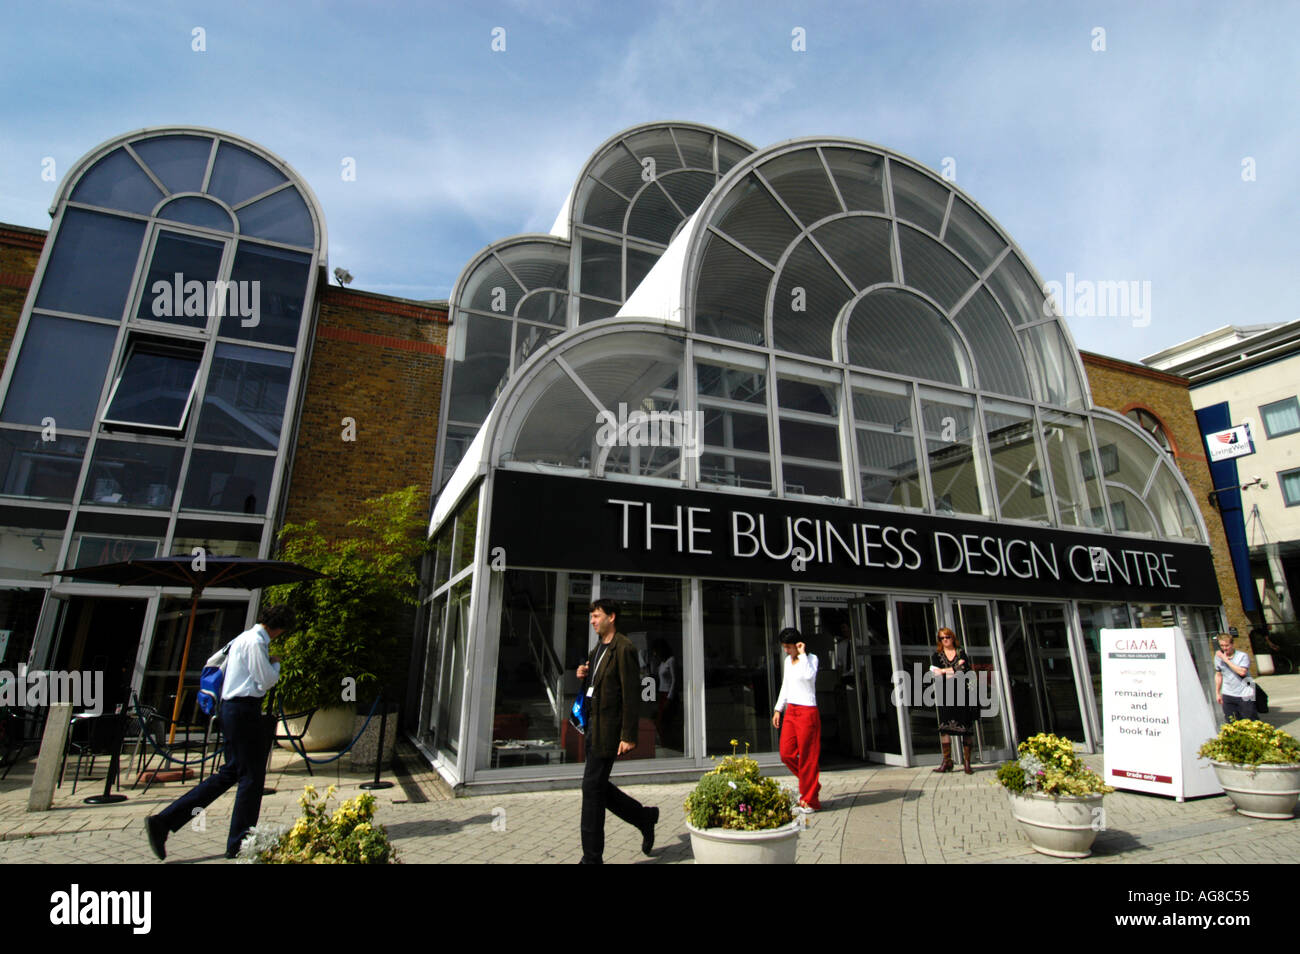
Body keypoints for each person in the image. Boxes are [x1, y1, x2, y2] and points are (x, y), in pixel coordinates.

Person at [145, 605, 295, 860]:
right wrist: (276, 664)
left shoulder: (241, 639)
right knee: (251, 777)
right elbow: (265, 681)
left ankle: (165, 821)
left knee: (231, 773)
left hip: (232, 710)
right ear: (279, 627)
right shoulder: (256, 642)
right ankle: (240, 842)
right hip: (242, 710)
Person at [575, 599, 657, 863]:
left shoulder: (624, 648)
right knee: (596, 786)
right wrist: (582, 675)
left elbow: (631, 694)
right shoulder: (597, 650)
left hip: (609, 731)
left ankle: (591, 858)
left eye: (597, 616)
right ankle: (644, 817)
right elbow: (597, 684)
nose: (592, 621)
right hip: (592, 728)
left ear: (611, 616)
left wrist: (628, 735)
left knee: (591, 789)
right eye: (591, 617)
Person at [772, 627, 821, 812]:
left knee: (808, 756)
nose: (786, 650)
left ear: (798, 645)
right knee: (786, 753)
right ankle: (811, 786)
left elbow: (809, 677)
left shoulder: (811, 659)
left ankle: (810, 800)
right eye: (784, 647)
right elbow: (786, 685)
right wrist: (778, 709)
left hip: (807, 710)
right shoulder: (787, 661)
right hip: (791, 710)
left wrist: (801, 655)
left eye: (789, 647)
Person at [931, 627, 977, 774]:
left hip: (962, 694)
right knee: (945, 729)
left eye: (947, 637)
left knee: (966, 728)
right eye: (942, 638)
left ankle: (967, 762)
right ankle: (947, 761)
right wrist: (954, 669)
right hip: (945, 694)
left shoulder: (961, 652)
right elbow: (936, 673)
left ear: (953, 637)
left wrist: (945, 671)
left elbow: (965, 670)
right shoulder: (936, 655)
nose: (945, 640)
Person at [1214, 632, 1256, 722]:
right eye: (1222, 646)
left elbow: (1242, 672)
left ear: (1232, 644)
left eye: (1227, 645)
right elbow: (1218, 675)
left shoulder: (1242, 656)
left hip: (1246, 693)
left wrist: (1225, 660)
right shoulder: (1218, 657)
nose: (1224, 648)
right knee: (1231, 721)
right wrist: (1218, 692)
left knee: (1249, 721)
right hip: (1228, 693)